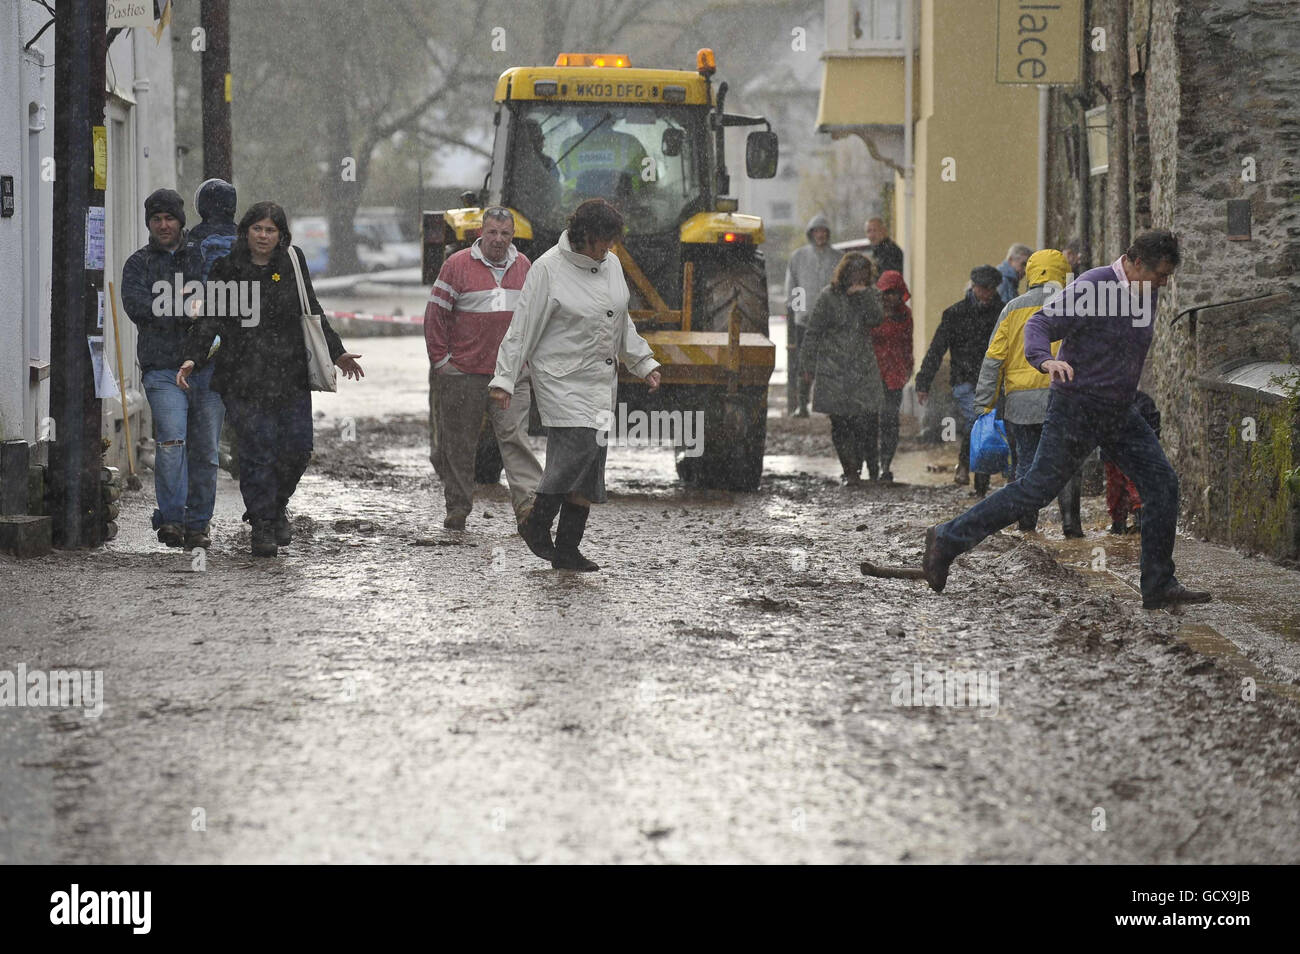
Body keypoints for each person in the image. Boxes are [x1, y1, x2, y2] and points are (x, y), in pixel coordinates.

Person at [922, 230, 1212, 610]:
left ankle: (1158, 583)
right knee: (1035, 490)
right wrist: (1045, 359)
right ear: (1135, 261)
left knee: (1162, 483)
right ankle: (946, 539)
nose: (1163, 283)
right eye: (1160, 274)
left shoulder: (1146, 290)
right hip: (1076, 406)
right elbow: (1040, 324)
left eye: (1167, 277)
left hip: (1118, 410)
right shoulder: (1094, 286)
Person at [177, 201, 365, 558]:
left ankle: (275, 507)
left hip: (289, 374)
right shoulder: (226, 268)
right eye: (257, 229)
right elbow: (210, 321)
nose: (263, 236)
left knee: (298, 448)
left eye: (270, 230)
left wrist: (337, 352)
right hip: (242, 377)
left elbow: (312, 311)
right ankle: (262, 525)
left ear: (281, 235)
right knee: (256, 450)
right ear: (245, 231)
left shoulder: (292, 263)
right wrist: (192, 357)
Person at [489, 199, 661, 571]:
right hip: (561, 379)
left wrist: (643, 361)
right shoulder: (548, 268)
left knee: (590, 465)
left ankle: (567, 550)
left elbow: (620, 321)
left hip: (600, 380)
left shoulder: (611, 264)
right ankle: (536, 522)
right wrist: (504, 378)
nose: (609, 249)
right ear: (585, 235)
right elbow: (522, 330)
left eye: (613, 242)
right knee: (578, 451)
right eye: (604, 241)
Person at [425, 207, 543, 532]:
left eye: (505, 234)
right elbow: (436, 315)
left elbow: (534, 318)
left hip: (509, 374)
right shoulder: (457, 265)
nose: (498, 240)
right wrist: (441, 362)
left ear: (513, 236)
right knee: (460, 444)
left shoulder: (525, 267)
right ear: (481, 232)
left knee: (515, 438)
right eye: (492, 232)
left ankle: (529, 510)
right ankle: (458, 510)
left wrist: (529, 362)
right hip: (464, 373)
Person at [120, 188, 223, 551]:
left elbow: (214, 304)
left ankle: (198, 524)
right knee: (171, 442)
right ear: (149, 222)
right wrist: (183, 309)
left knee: (206, 449)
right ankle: (172, 520)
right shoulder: (138, 264)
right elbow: (138, 307)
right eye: (156, 219)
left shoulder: (203, 258)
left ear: (181, 220)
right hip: (162, 369)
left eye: (169, 218)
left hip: (207, 369)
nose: (163, 225)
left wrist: (174, 307)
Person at [973, 249, 1083, 536]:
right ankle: (1071, 526)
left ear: (1030, 274)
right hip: (1063, 398)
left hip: (1021, 406)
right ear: (1062, 273)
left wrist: (985, 404)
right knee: (1067, 462)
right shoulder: (1075, 305)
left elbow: (994, 358)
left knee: (1026, 460)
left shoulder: (1012, 309)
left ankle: (1026, 524)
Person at [915, 265, 1005, 492]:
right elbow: (936, 350)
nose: (987, 294)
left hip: (993, 379)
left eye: (990, 290)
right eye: (983, 289)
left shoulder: (1002, 312)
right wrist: (923, 382)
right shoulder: (955, 314)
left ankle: (978, 474)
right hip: (964, 379)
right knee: (977, 421)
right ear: (973, 287)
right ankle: (969, 467)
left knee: (986, 424)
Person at [801, 253, 885, 485]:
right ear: (845, 273)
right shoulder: (828, 297)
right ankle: (850, 471)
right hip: (833, 370)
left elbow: (877, 318)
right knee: (840, 422)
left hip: (862, 369)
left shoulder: (872, 294)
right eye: (855, 273)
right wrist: (807, 366)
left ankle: (860, 465)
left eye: (864, 274)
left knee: (864, 421)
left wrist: (864, 296)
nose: (859, 278)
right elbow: (813, 332)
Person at [784, 214, 840, 417]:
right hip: (805, 320)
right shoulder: (798, 257)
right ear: (811, 234)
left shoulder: (838, 258)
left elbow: (841, 288)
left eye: (824, 231)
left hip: (830, 320)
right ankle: (802, 405)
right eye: (817, 231)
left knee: (831, 361)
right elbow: (793, 285)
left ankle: (829, 404)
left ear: (828, 234)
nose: (820, 235)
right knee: (804, 361)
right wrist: (798, 311)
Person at [870, 269, 914, 482]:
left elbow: (907, 343)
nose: (890, 298)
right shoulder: (871, 313)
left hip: (894, 374)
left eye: (894, 293)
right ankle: (870, 464)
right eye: (886, 293)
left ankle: (885, 464)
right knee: (869, 420)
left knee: (889, 420)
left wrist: (908, 366)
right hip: (872, 372)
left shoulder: (905, 315)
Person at [556, 110, 649, 204]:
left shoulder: (567, 146)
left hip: (580, 210)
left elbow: (558, 183)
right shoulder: (631, 142)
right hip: (624, 209)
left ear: (579, 118)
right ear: (611, 118)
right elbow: (651, 177)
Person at [1106, 390, 1161, 534]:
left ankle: (1126, 523)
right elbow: (1154, 426)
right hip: (1123, 452)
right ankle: (1131, 522)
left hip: (1120, 452)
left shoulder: (1107, 401)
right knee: (1126, 486)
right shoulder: (1143, 400)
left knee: (1121, 488)